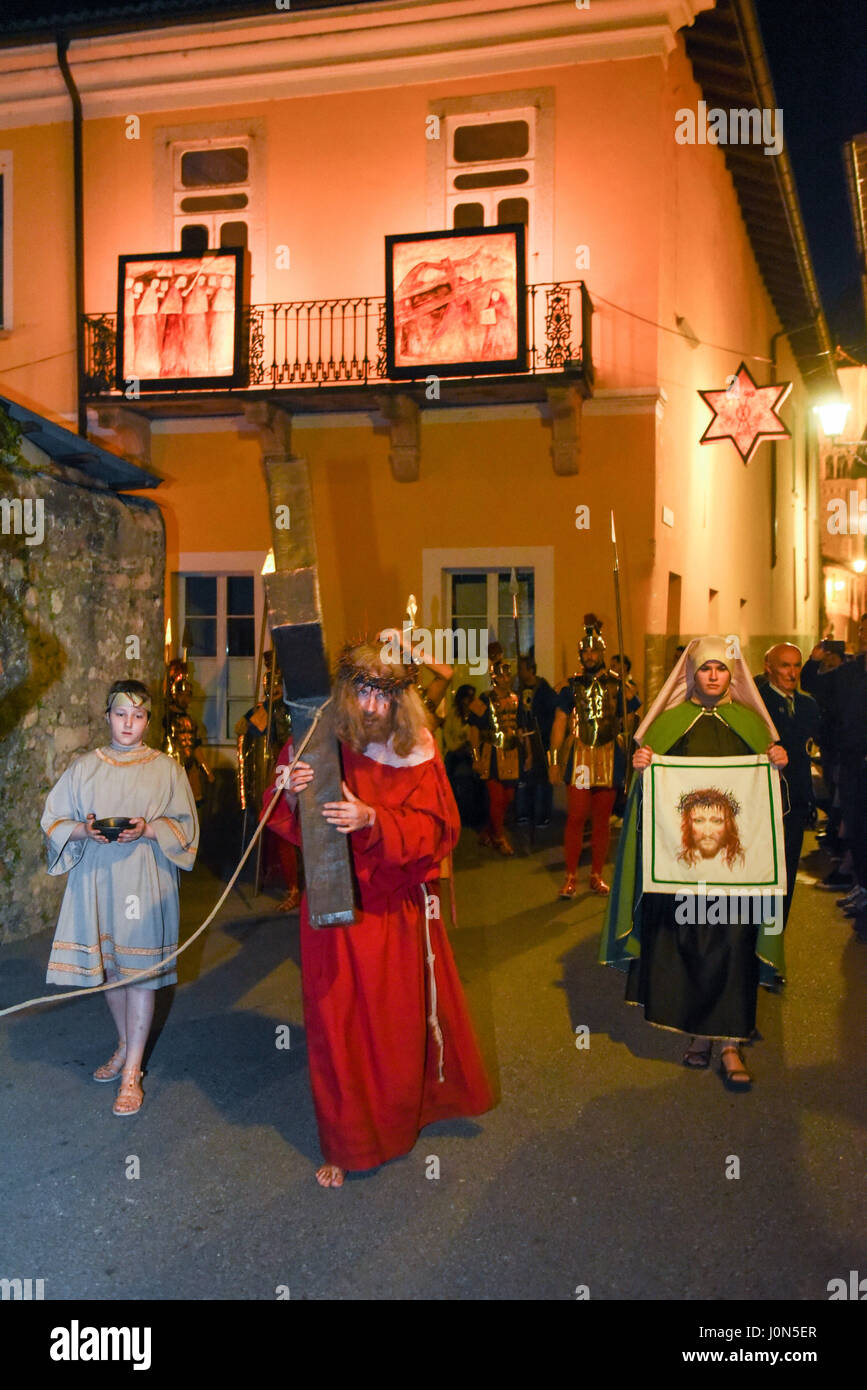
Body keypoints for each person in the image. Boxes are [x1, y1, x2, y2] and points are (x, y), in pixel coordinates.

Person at [263, 640, 494, 1187]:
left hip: (393, 909)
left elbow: (439, 830)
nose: (370, 707)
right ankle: (347, 1142)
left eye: (382, 696)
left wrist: (373, 819)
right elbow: (281, 818)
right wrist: (292, 794)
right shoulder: (319, 739)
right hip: (332, 906)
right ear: (346, 691)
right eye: (362, 691)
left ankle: (396, 1121)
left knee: (393, 1027)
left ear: (401, 700)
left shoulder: (419, 748)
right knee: (336, 1024)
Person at [599, 637, 788, 1090]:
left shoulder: (752, 726)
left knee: (732, 945)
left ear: (732, 676)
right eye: (706, 669)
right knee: (691, 945)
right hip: (684, 867)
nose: (713, 676)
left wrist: (778, 763)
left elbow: (769, 802)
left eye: (722, 669)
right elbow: (651, 801)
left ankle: (729, 1044)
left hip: (737, 871)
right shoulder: (669, 724)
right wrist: (644, 767)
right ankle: (701, 1035)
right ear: (692, 674)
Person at [42, 680, 199, 1116]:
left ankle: (132, 1073)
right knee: (112, 969)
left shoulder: (167, 769)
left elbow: (186, 826)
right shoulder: (84, 768)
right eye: (121, 714)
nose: (129, 723)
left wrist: (150, 829)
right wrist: (84, 830)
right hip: (99, 878)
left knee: (142, 971)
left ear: (149, 719)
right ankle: (127, 1045)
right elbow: (54, 819)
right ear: (107, 716)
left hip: (145, 882)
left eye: (139, 715)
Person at [549, 615, 624, 897]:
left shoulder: (618, 685)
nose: (590, 655)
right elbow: (559, 722)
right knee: (577, 816)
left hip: (608, 754)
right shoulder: (570, 686)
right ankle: (570, 876)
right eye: (586, 651)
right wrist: (554, 761)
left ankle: (596, 874)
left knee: (602, 819)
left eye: (594, 651)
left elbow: (631, 720)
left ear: (602, 652)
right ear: (581, 654)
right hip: (580, 755)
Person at [802, 616, 867, 926]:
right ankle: (861, 884)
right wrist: (812, 664)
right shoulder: (851, 672)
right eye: (862, 631)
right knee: (854, 824)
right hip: (851, 760)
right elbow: (816, 686)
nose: (864, 636)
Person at [757, 643, 821, 928]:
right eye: (785, 665)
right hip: (763, 804)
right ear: (768, 667)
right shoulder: (755, 705)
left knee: (787, 877)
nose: (792, 672)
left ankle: (774, 944)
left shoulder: (808, 705)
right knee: (761, 877)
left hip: (795, 805)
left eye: (796, 665)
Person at [236, 650, 300, 912]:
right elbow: (242, 729)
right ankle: (293, 888)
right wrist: (260, 712)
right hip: (279, 773)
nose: (273, 686)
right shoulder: (264, 710)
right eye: (269, 682)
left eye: (278, 681)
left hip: (302, 769)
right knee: (283, 829)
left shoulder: (298, 707)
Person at [468, 646, 531, 856]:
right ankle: (499, 837)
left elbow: (522, 728)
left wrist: (528, 753)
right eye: (502, 675)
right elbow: (474, 728)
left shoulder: (516, 699)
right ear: (495, 678)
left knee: (509, 797)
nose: (507, 679)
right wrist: (475, 756)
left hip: (512, 752)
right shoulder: (484, 699)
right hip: (492, 752)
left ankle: (488, 830)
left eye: (508, 675)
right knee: (496, 797)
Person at [515, 654, 558, 828]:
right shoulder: (521, 690)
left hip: (542, 740)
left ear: (531, 670)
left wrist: (539, 730)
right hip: (526, 738)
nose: (519, 672)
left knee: (542, 779)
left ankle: (542, 815)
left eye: (522, 668)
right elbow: (520, 713)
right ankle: (525, 812)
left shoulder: (544, 690)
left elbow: (551, 714)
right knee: (526, 778)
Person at [441, 683, 483, 826]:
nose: (470, 700)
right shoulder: (454, 713)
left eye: (472, 697)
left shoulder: (476, 713)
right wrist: (457, 746)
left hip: (472, 753)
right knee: (458, 779)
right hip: (456, 753)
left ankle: (472, 814)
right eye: (467, 697)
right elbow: (448, 736)